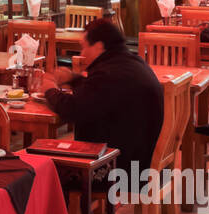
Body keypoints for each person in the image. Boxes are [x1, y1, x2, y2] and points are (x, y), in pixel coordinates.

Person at [34, 18, 165, 175]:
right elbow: (100, 95)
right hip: (136, 160)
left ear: (98, 46)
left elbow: (71, 110)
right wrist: (73, 79)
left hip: (115, 169)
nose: (82, 54)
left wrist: (50, 90)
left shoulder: (108, 75)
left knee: (46, 166)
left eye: (84, 47)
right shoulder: (129, 63)